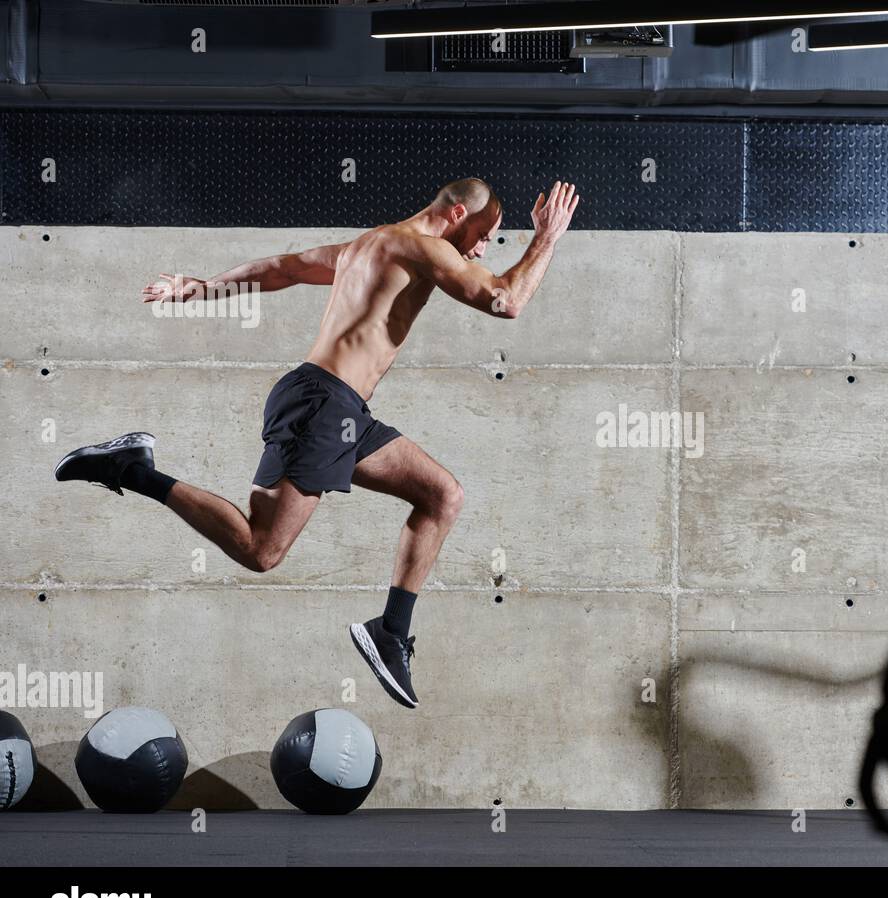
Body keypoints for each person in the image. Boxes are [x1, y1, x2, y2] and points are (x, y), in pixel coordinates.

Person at [55, 178, 581, 708]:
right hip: (322, 407)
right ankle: (132, 468)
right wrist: (548, 238)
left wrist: (204, 287)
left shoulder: (368, 245)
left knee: (443, 495)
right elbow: (505, 301)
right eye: (486, 235)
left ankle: (390, 633)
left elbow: (283, 268)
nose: (483, 249)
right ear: (457, 214)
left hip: (343, 411)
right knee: (262, 551)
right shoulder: (422, 247)